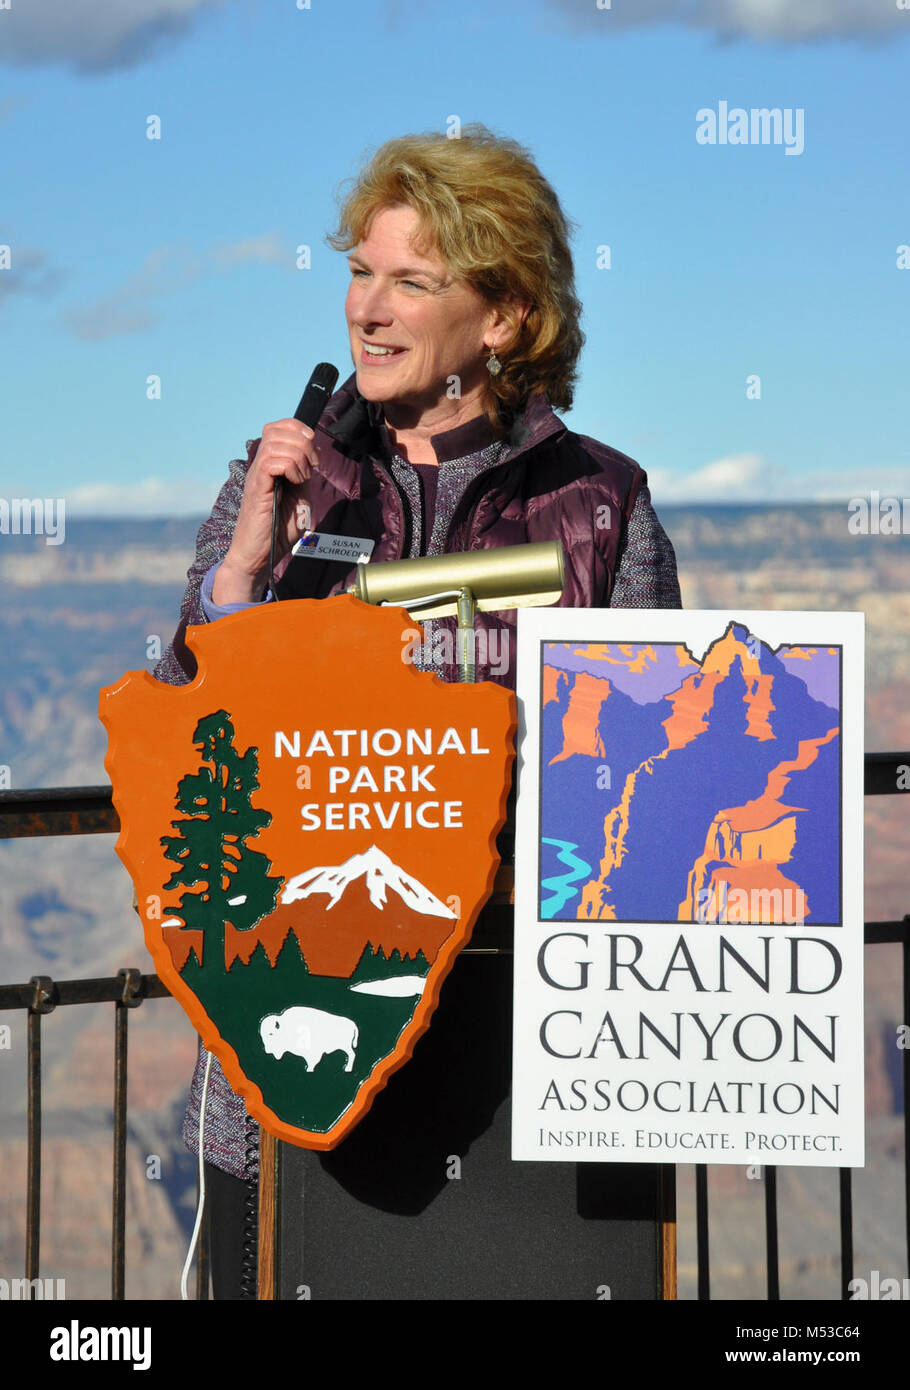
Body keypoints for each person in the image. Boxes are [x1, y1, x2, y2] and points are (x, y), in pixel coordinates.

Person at [154, 124, 681, 1297]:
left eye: (410, 280)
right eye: (358, 271)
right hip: (302, 1038)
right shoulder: (278, 483)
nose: (367, 309)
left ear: (501, 318)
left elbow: (656, 779)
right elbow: (186, 755)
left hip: (524, 1052)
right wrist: (239, 583)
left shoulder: (600, 504)